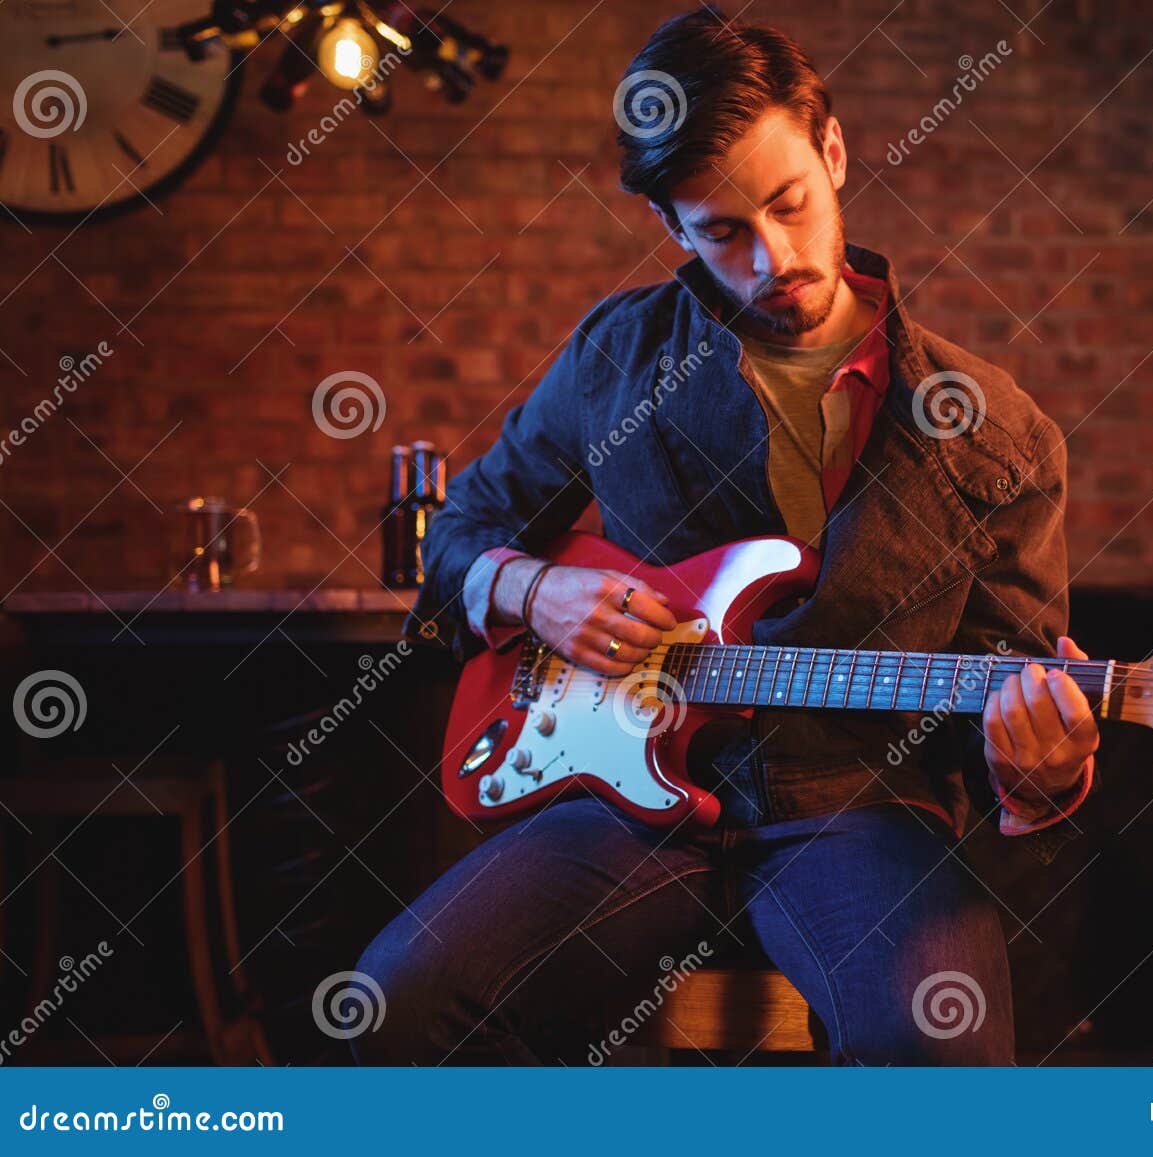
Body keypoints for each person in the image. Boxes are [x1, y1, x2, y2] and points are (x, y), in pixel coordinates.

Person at [355, 5, 1099, 1066]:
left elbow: (1013, 694)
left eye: (791, 204)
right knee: (395, 999)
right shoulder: (615, 356)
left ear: (832, 151)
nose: (774, 257)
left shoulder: (998, 428)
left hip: (859, 807)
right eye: (723, 231)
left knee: (941, 1056)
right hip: (621, 801)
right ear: (671, 225)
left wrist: (1041, 770)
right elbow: (462, 533)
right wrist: (534, 591)